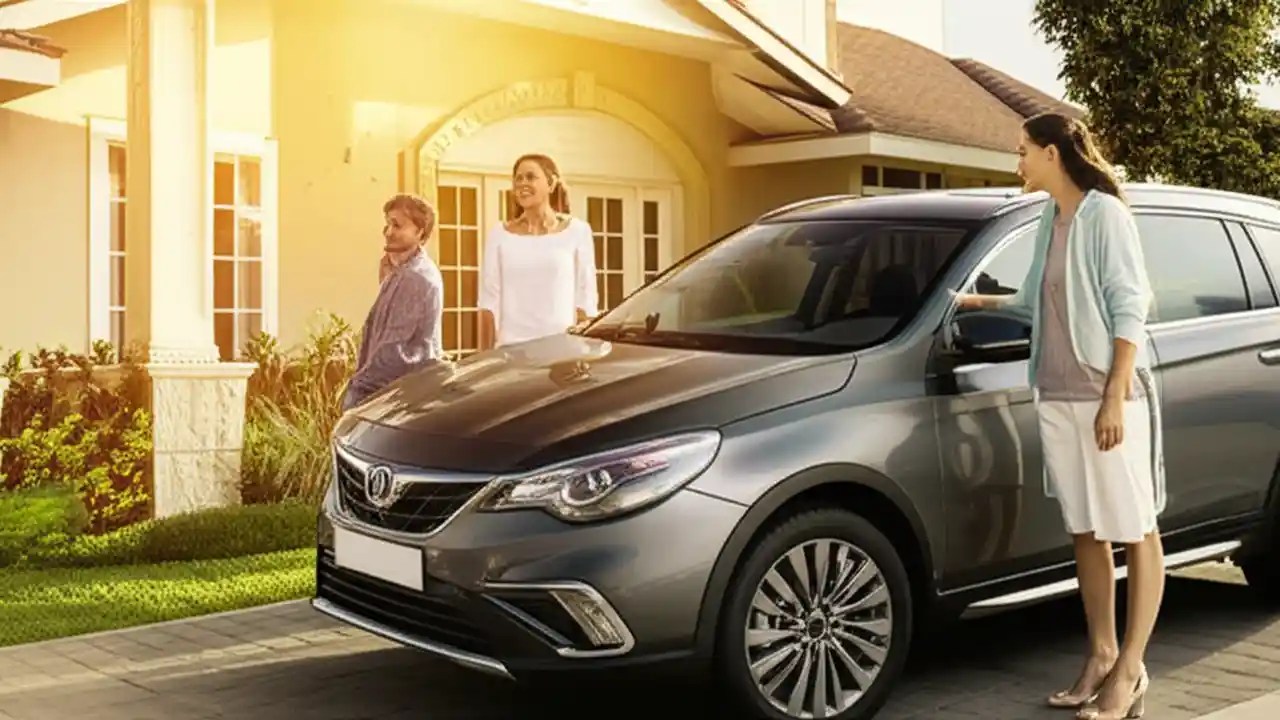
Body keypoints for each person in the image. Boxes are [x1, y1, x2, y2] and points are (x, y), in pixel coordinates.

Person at [955, 112, 1165, 720]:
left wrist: (1113, 398)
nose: (1017, 163)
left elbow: (1131, 307)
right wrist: (967, 300)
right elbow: (1032, 300)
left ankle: (1130, 669)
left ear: (1051, 153)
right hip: (1055, 394)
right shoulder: (1053, 215)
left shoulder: (1106, 215)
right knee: (1085, 529)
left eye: (1023, 152)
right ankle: (1100, 655)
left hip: (1106, 398)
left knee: (1135, 528)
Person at [477, 153, 598, 350]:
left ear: (551, 184)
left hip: (562, 351)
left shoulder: (578, 231)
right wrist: (482, 359)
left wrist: (583, 352)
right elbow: (488, 302)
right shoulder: (499, 234)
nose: (522, 183)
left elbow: (586, 298)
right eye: (518, 178)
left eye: (531, 177)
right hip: (511, 351)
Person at [342, 194, 444, 411]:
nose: (388, 232)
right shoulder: (403, 272)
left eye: (397, 225)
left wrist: (356, 391)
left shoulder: (415, 278)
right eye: (387, 224)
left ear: (420, 233)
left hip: (395, 400)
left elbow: (394, 353)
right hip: (398, 397)